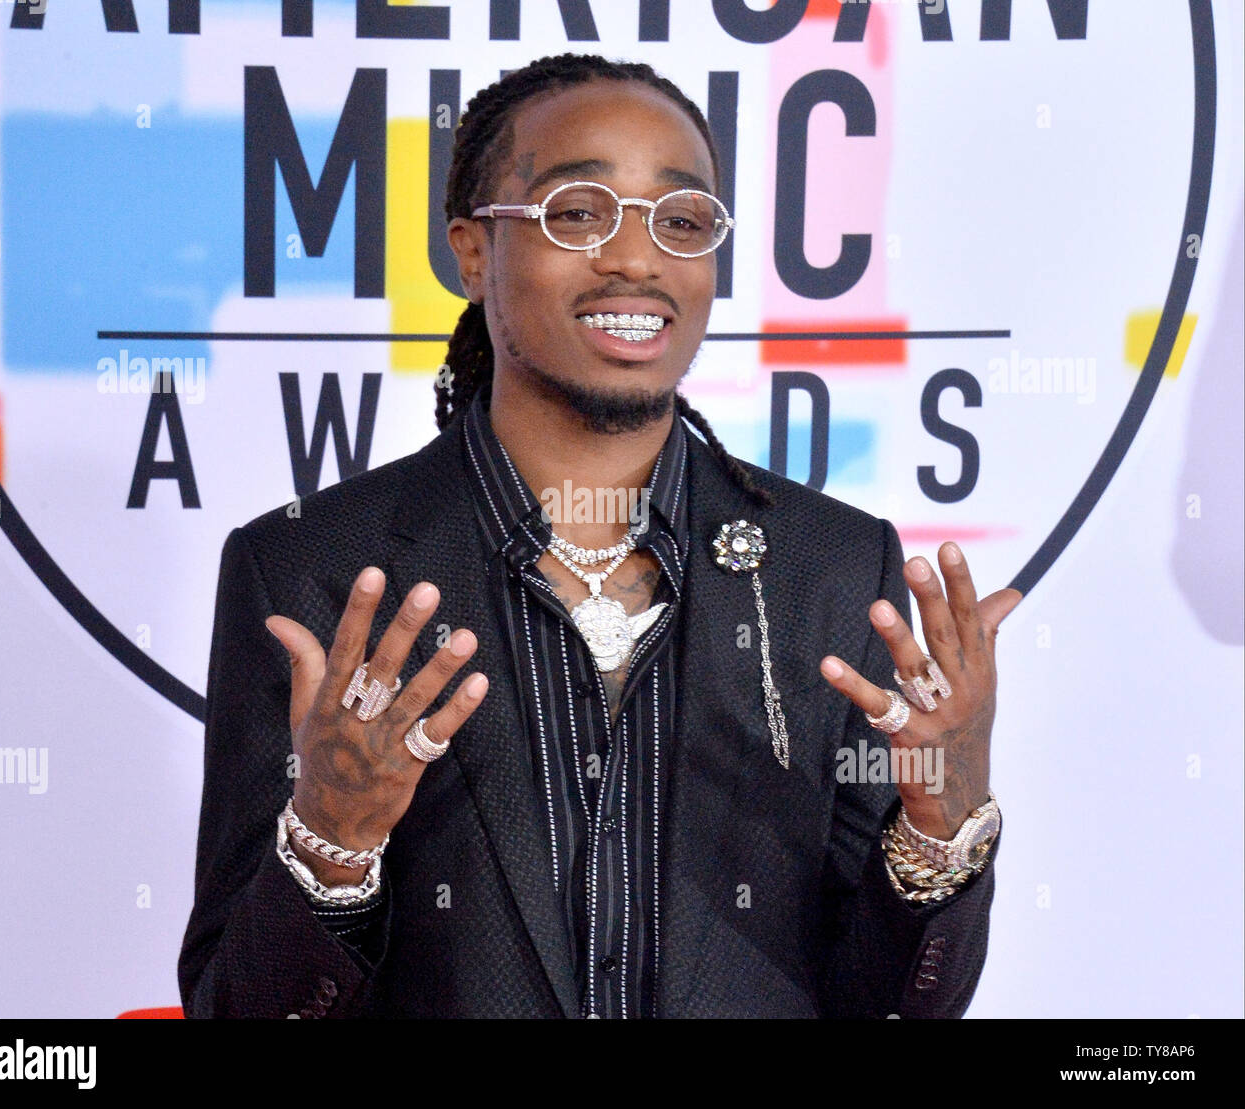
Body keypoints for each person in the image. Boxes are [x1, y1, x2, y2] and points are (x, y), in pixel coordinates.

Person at [178, 53, 1021, 1019]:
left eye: (682, 221)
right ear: (471, 250)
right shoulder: (309, 572)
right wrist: (332, 842)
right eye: (578, 212)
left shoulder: (832, 570)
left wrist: (942, 827)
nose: (637, 259)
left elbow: (892, 1006)